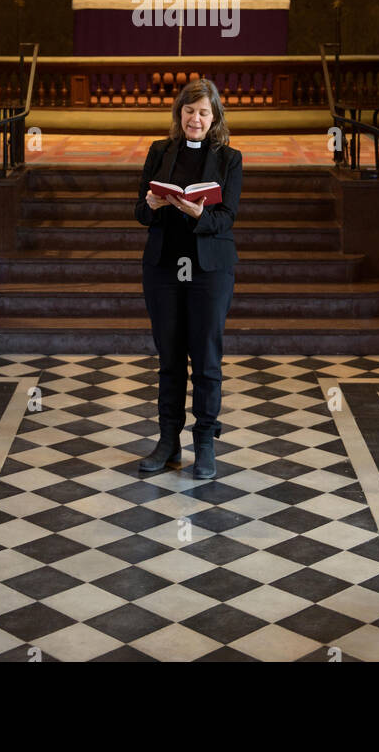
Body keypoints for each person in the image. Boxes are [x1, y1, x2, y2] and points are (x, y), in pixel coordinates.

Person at [134, 77, 243, 480]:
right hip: (164, 267)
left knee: (207, 358)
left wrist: (199, 213)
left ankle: (205, 443)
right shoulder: (159, 151)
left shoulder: (229, 159)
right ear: (179, 113)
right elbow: (140, 213)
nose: (195, 119)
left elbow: (227, 217)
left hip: (208, 269)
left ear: (214, 119)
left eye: (203, 113)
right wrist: (150, 204)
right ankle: (168, 441)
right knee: (170, 358)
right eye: (189, 110)